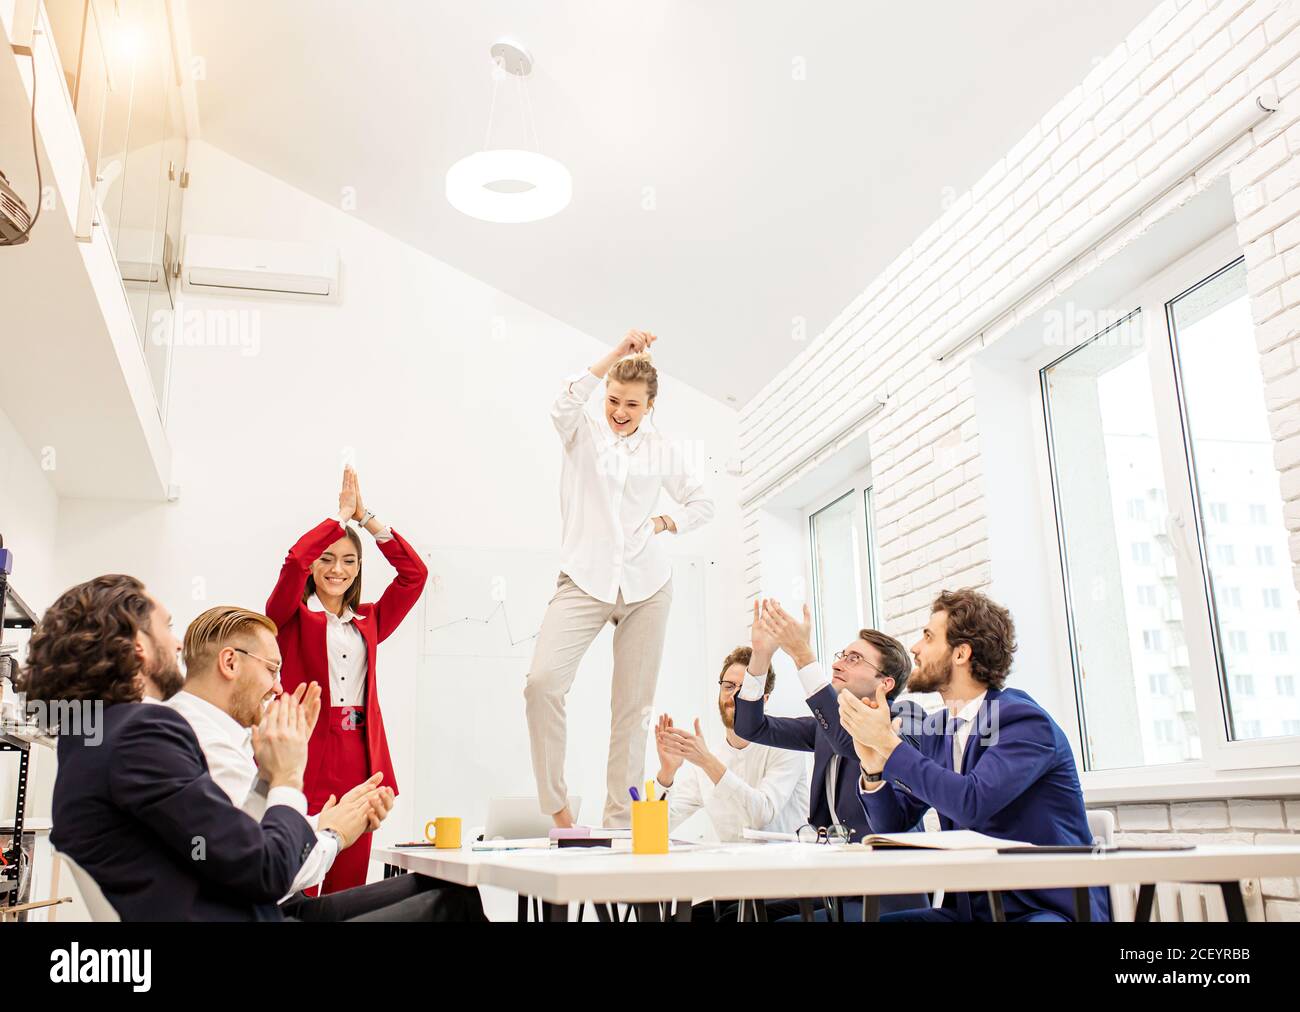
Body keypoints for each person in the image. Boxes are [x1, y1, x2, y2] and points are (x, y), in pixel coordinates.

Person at [23, 575, 483, 921]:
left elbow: (232, 849)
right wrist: (288, 778)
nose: (178, 642)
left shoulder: (95, 737)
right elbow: (267, 872)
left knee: (450, 889)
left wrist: (266, 775)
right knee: (452, 903)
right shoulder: (143, 733)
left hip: (242, 906)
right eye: (166, 627)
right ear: (138, 644)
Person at [166, 604, 484, 919]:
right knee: (451, 905)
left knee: (452, 887)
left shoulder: (214, 733)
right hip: (266, 907)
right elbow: (275, 872)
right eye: (272, 669)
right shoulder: (204, 742)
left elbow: (254, 833)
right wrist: (334, 833)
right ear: (231, 662)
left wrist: (330, 818)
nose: (278, 687)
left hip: (277, 904)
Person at [525, 330, 715, 828]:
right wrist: (614, 356)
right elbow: (563, 403)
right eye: (613, 399)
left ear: (650, 405)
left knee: (631, 710)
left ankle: (620, 822)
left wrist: (663, 522)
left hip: (647, 586)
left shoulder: (662, 449)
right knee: (542, 684)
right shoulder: (581, 432)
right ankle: (559, 810)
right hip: (583, 579)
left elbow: (702, 502)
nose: (620, 411)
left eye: (632, 403)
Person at [841, 588, 1110, 922]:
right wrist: (873, 768)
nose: (915, 648)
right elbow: (893, 825)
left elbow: (972, 800)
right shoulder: (938, 728)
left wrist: (889, 744)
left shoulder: (1023, 721)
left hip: (1040, 909)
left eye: (928, 636)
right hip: (972, 911)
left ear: (960, 654)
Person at [266, 465, 428, 892]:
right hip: (307, 750)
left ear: (359, 568)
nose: (338, 569)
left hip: (360, 753)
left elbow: (415, 575)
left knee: (349, 879)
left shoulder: (370, 621)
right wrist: (339, 519)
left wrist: (367, 518)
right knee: (300, 873)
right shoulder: (289, 618)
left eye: (349, 560)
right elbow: (295, 560)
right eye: (328, 559)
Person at [733, 598, 927, 920]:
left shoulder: (906, 718)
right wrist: (761, 656)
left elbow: (852, 741)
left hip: (883, 897)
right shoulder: (825, 728)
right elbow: (750, 727)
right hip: (833, 886)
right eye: (842, 656)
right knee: (739, 912)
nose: (838, 664)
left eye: (854, 659)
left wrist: (802, 655)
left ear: (885, 683)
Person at [651, 645, 808, 843]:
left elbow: (762, 814)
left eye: (744, 689)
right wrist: (667, 773)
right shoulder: (709, 759)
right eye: (728, 686)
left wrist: (708, 762)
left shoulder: (786, 746)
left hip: (787, 869)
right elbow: (655, 828)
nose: (733, 695)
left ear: (764, 699)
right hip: (732, 870)